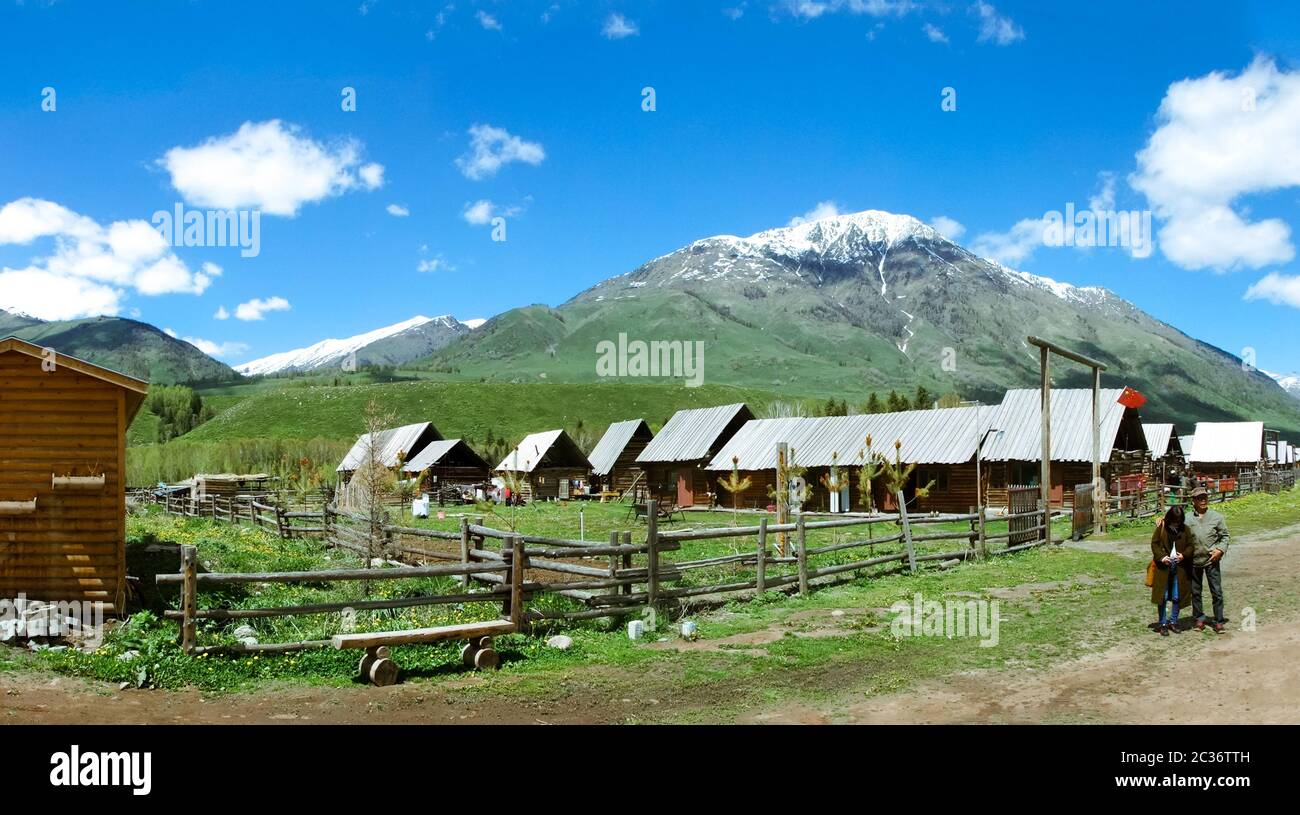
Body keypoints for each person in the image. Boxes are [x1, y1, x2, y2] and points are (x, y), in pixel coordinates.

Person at [1185, 486, 1230, 632]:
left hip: (1212, 560)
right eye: (1199, 498)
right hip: (1193, 561)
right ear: (1193, 501)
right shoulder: (1187, 518)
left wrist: (1220, 550)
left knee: (1216, 591)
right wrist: (1162, 520)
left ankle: (1218, 621)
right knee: (1195, 592)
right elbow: (1175, 529)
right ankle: (1199, 619)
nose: (1203, 500)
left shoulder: (1217, 517)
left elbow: (1225, 536)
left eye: (1205, 497)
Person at [1151, 505, 1192, 635]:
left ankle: (1173, 621)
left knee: (1176, 596)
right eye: (1174, 521)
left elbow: (1191, 545)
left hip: (1179, 568)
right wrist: (1162, 557)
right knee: (1163, 596)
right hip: (1164, 567)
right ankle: (1162, 623)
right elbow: (1154, 544)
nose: (1176, 524)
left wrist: (1184, 555)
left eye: (1179, 521)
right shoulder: (1162, 528)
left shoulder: (1185, 529)